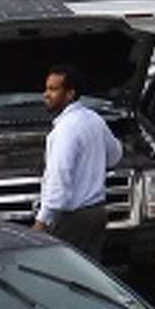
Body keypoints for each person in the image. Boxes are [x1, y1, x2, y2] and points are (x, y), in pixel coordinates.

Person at [35, 66, 120, 258]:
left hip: (72, 219)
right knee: (90, 275)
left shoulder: (65, 129)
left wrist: (42, 222)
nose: (46, 94)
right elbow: (115, 156)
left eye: (53, 89)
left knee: (61, 275)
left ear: (70, 94)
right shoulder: (95, 119)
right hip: (97, 213)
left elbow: (59, 177)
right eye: (46, 88)